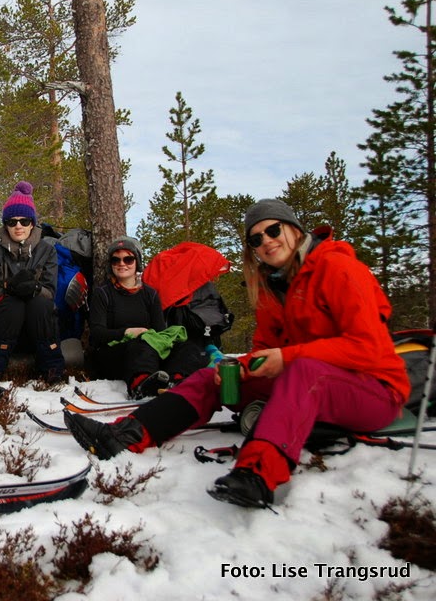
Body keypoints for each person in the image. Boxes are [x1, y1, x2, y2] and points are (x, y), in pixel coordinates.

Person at [65, 199, 410, 508]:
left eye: (273, 230)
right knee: (213, 376)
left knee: (305, 371)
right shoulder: (273, 286)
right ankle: (124, 435)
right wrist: (245, 367)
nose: (266, 242)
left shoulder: (338, 269)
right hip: (302, 382)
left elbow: (368, 347)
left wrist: (286, 358)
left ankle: (257, 474)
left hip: (374, 390)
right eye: (255, 239)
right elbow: (265, 348)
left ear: (294, 229)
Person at [0, 181, 64, 383]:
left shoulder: (47, 250)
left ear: (32, 223)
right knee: (13, 304)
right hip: (4, 325)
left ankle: (52, 368)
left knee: (39, 303)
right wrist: (9, 288)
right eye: (12, 221)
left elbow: (50, 293)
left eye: (24, 221)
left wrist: (35, 288)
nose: (18, 226)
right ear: (5, 224)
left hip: (37, 326)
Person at [86, 236, 176, 399]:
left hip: (147, 352)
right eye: (116, 260)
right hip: (112, 356)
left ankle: (180, 380)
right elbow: (97, 333)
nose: (122, 264)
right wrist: (127, 332)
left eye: (128, 259)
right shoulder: (103, 293)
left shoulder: (150, 294)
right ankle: (140, 384)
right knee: (137, 345)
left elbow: (160, 331)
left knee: (185, 346)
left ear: (137, 263)